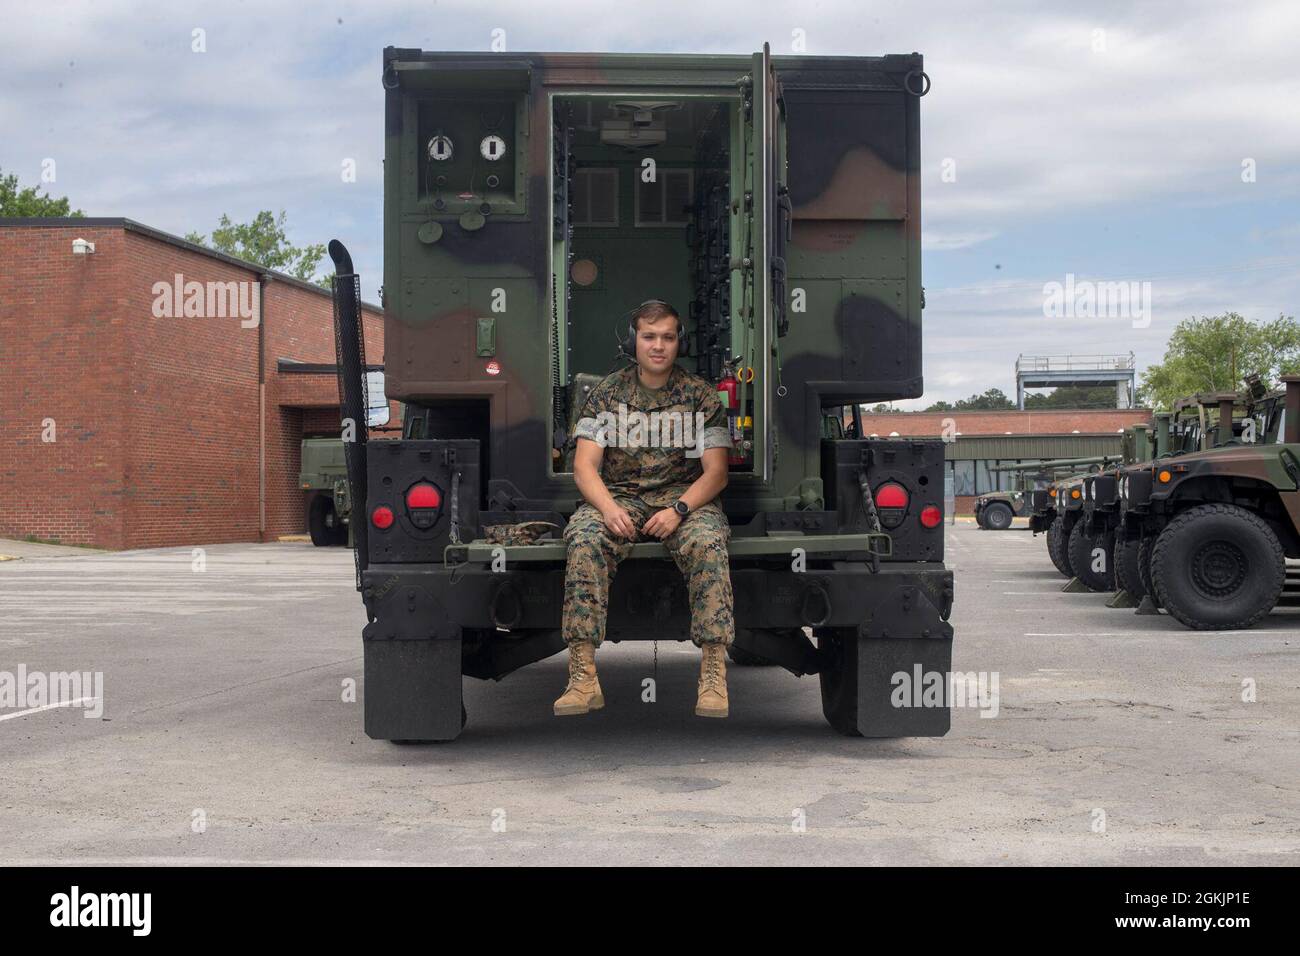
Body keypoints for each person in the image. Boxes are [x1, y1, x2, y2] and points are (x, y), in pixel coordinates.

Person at [555, 300, 735, 718]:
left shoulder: (700, 396)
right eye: (649, 337)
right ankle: (583, 679)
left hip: (684, 500)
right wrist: (607, 507)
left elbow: (716, 473)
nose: (659, 346)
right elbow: (584, 465)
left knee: (709, 542)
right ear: (632, 341)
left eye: (668, 337)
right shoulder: (607, 394)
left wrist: (679, 508)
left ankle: (712, 674)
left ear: (678, 342)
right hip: (619, 496)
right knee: (584, 538)